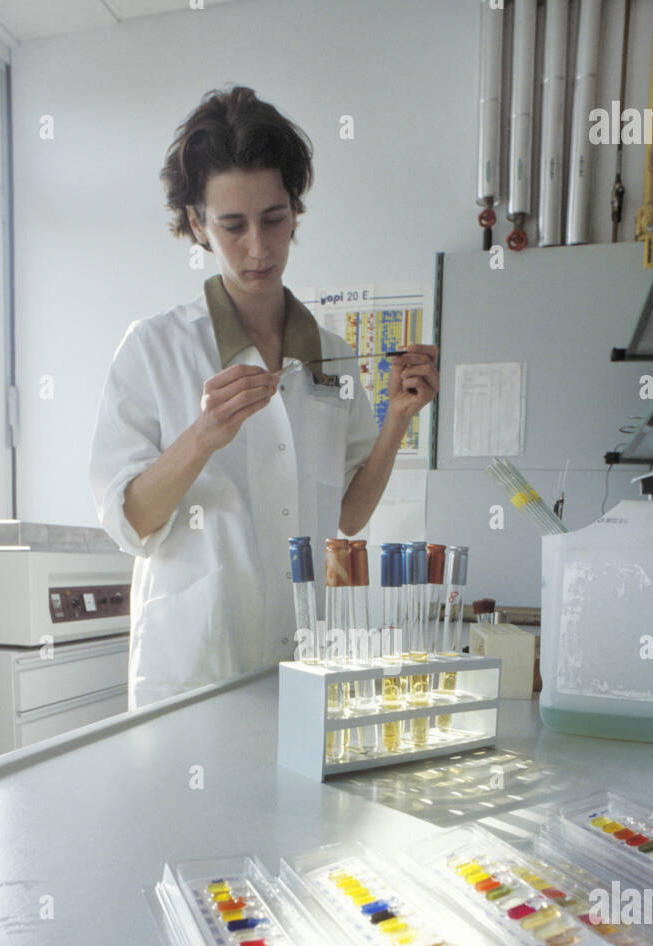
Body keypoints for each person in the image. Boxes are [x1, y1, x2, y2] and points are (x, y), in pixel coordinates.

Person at [89, 86, 438, 708]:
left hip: (304, 659)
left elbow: (350, 517)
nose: (258, 248)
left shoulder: (329, 354)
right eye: (232, 225)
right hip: (195, 669)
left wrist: (397, 421)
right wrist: (202, 438)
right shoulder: (153, 348)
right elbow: (131, 521)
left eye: (274, 219)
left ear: (295, 211)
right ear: (197, 223)